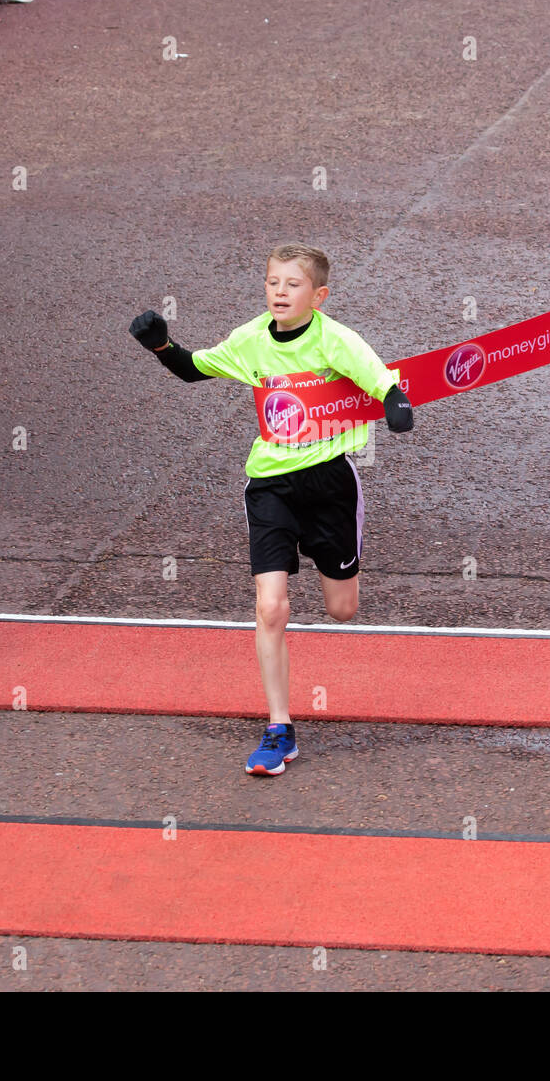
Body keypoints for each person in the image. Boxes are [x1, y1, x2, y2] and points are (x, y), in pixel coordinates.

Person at [130, 243, 413, 773]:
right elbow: (194, 369)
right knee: (271, 608)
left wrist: (395, 404)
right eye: (272, 282)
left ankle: (332, 560)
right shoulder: (251, 339)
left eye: (293, 284)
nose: (279, 292)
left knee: (341, 609)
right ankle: (279, 729)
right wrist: (161, 345)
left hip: (330, 482)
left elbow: (381, 379)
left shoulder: (335, 340)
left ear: (319, 295)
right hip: (270, 485)